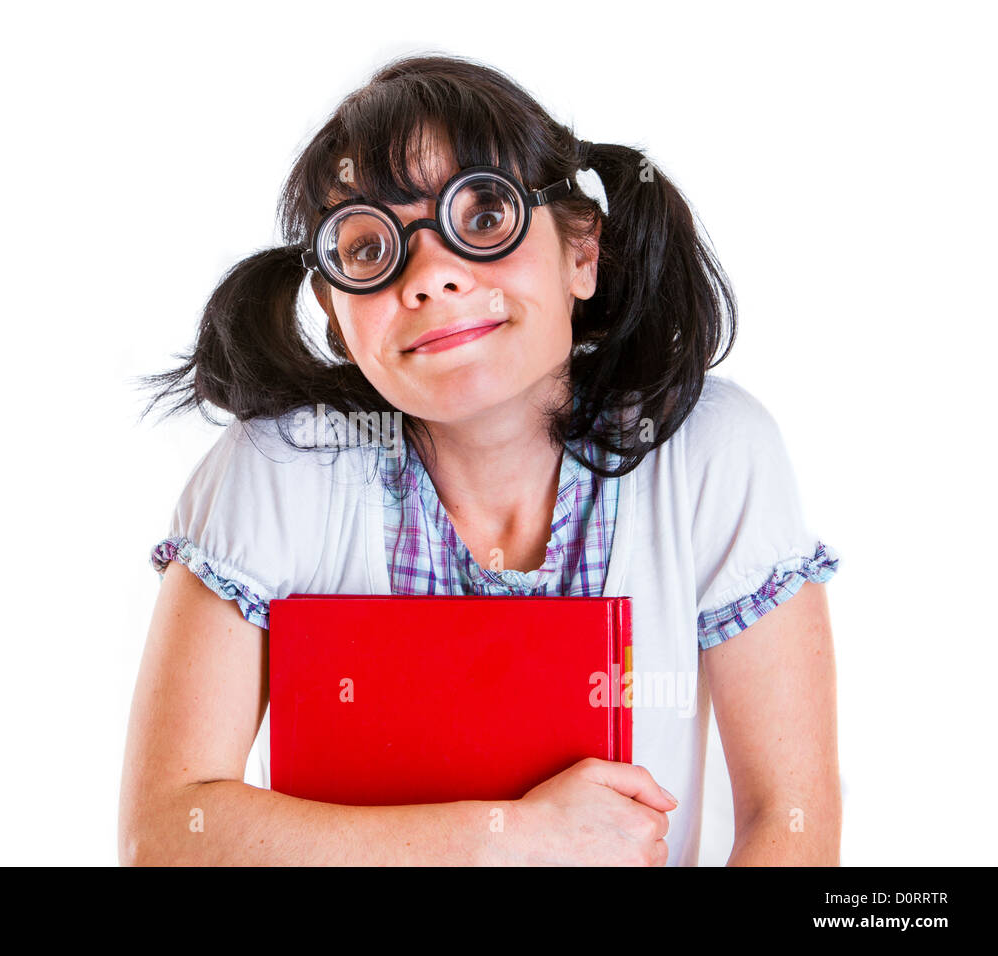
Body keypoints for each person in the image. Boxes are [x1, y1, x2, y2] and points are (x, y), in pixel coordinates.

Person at [118, 53, 841, 866]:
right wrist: (517, 839)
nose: (432, 277)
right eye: (369, 250)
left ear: (581, 252)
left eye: (485, 217)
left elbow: (789, 821)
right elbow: (166, 833)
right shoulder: (280, 468)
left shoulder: (709, 454)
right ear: (335, 315)